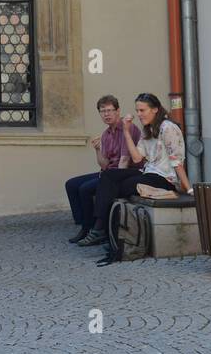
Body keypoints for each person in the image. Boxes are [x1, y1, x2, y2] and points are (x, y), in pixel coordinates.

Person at [78, 92, 192, 254]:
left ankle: (102, 230)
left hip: (165, 179)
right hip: (148, 173)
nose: (139, 114)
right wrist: (126, 132)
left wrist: (188, 188)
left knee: (121, 185)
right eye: (137, 110)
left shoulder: (168, 128)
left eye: (142, 110)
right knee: (109, 176)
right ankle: (101, 229)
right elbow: (137, 156)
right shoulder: (148, 129)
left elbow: (176, 162)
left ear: (155, 110)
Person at [64, 95, 135, 243]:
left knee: (85, 189)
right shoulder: (106, 134)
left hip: (124, 174)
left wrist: (112, 180)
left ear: (118, 111)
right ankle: (84, 225)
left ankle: (94, 229)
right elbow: (104, 165)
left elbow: (125, 160)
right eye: (103, 111)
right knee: (71, 184)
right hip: (108, 172)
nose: (106, 114)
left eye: (110, 110)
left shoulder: (128, 128)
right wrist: (97, 150)